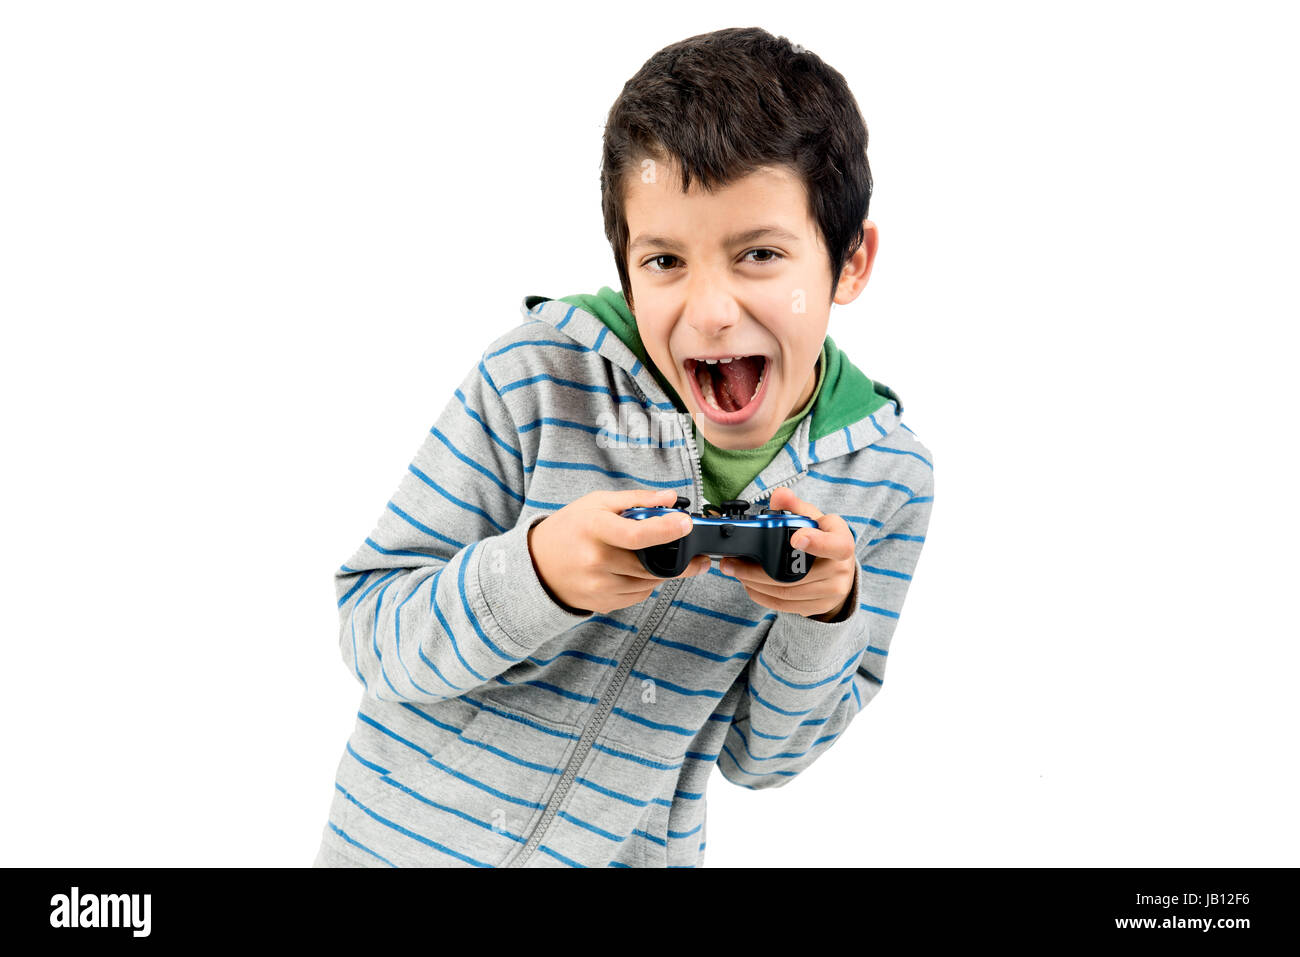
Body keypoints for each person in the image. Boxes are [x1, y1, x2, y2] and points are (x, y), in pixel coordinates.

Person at [313, 25, 934, 868]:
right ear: (626, 265)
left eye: (758, 254)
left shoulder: (887, 480)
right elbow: (370, 628)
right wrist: (535, 575)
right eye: (666, 260)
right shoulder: (535, 378)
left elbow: (765, 759)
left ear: (850, 260)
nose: (711, 311)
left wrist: (825, 613)